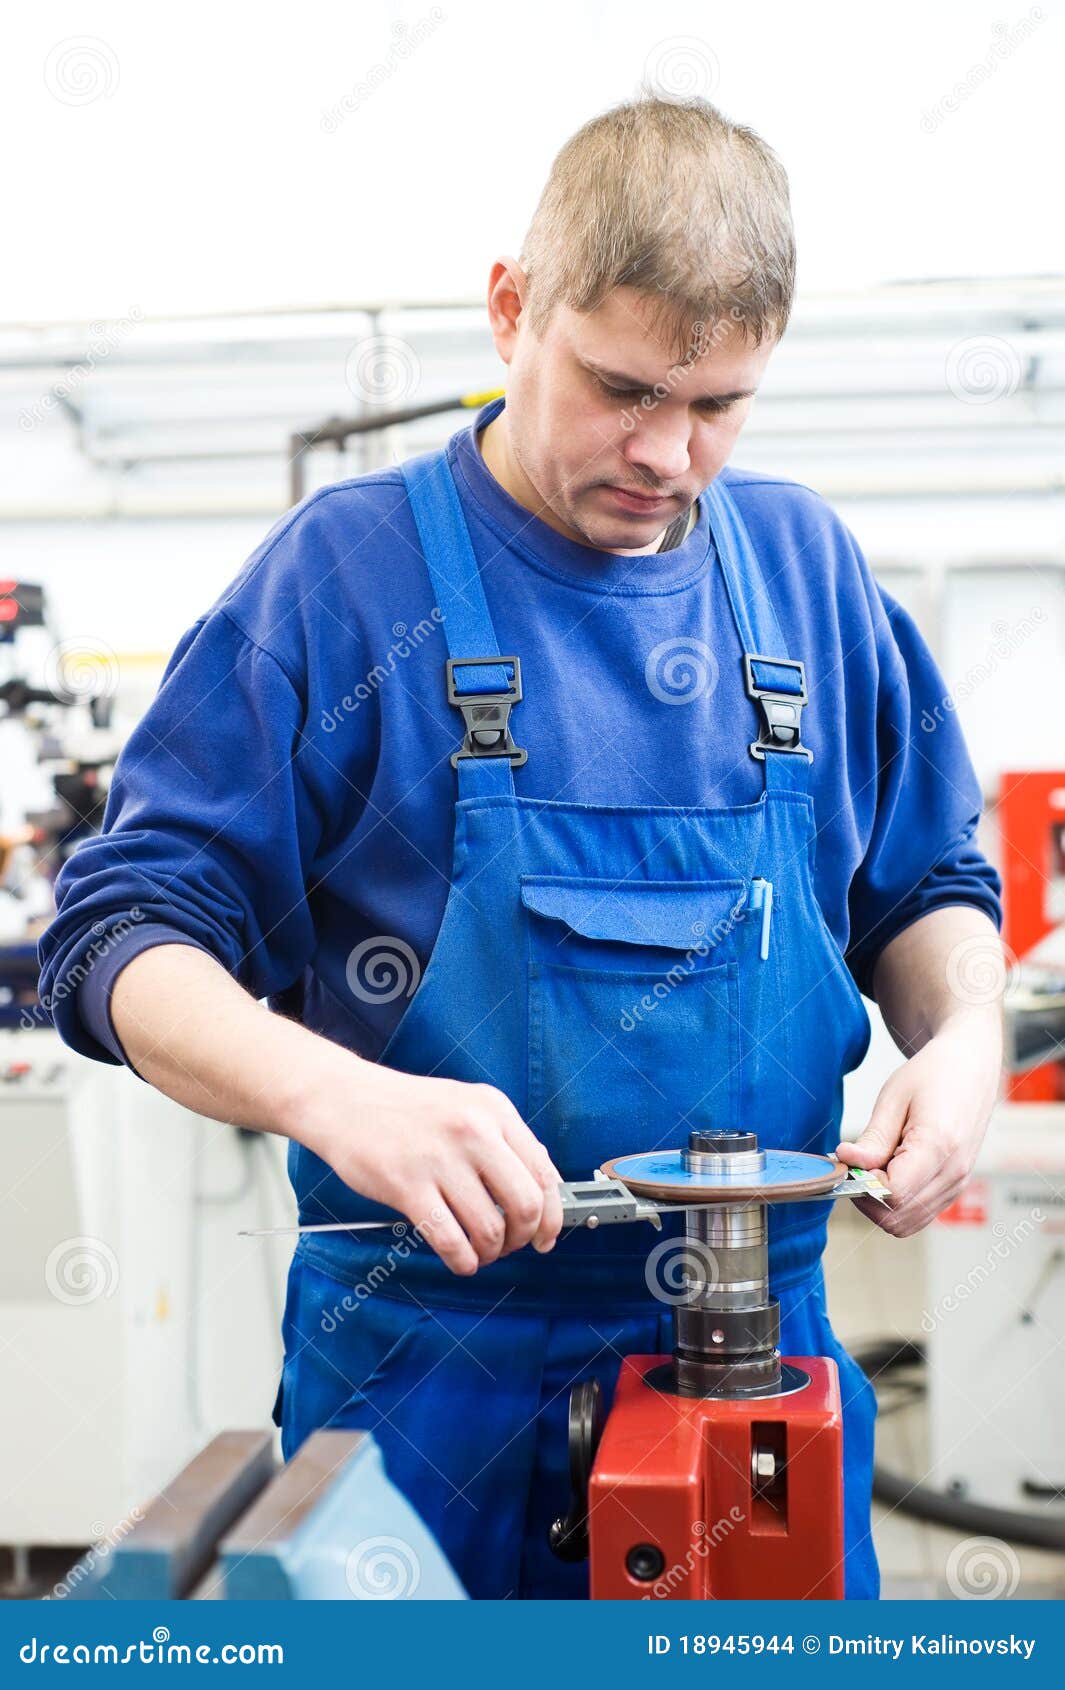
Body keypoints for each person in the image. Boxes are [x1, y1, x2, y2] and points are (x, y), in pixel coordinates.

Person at [38, 96, 1003, 1600]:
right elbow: (118, 936)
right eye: (621, 388)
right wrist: (339, 1093)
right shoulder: (343, 583)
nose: (669, 453)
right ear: (509, 309)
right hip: (432, 1396)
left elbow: (929, 888)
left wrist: (964, 1040)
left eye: (720, 405)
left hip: (764, 1390)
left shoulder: (805, 570)